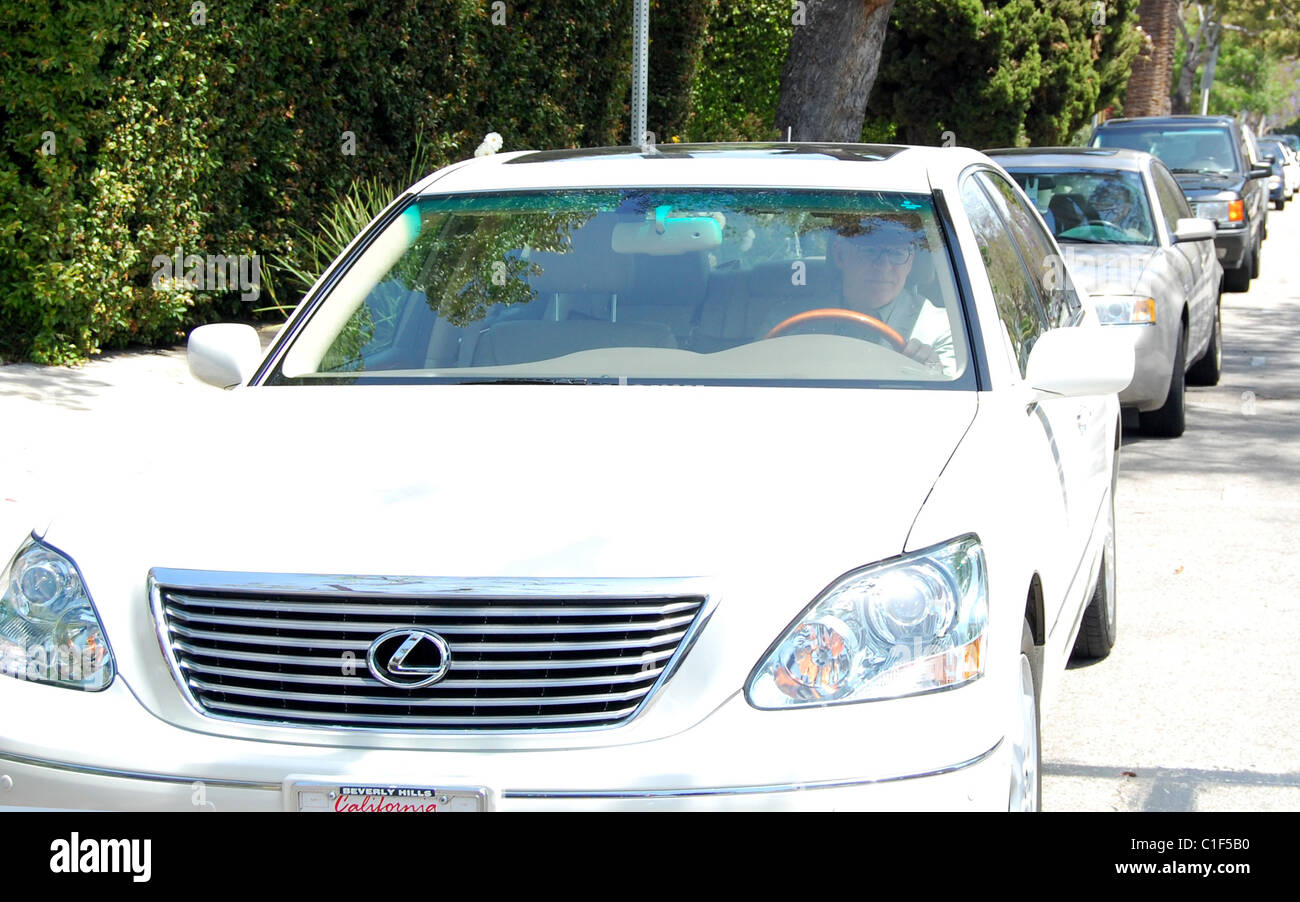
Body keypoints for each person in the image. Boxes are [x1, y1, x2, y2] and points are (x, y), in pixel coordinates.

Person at [764, 213, 954, 374]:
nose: (883, 266)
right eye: (870, 251)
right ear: (840, 255)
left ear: (911, 262)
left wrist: (934, 373)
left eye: (897, 254)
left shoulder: (942, 329)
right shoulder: (791, 323)